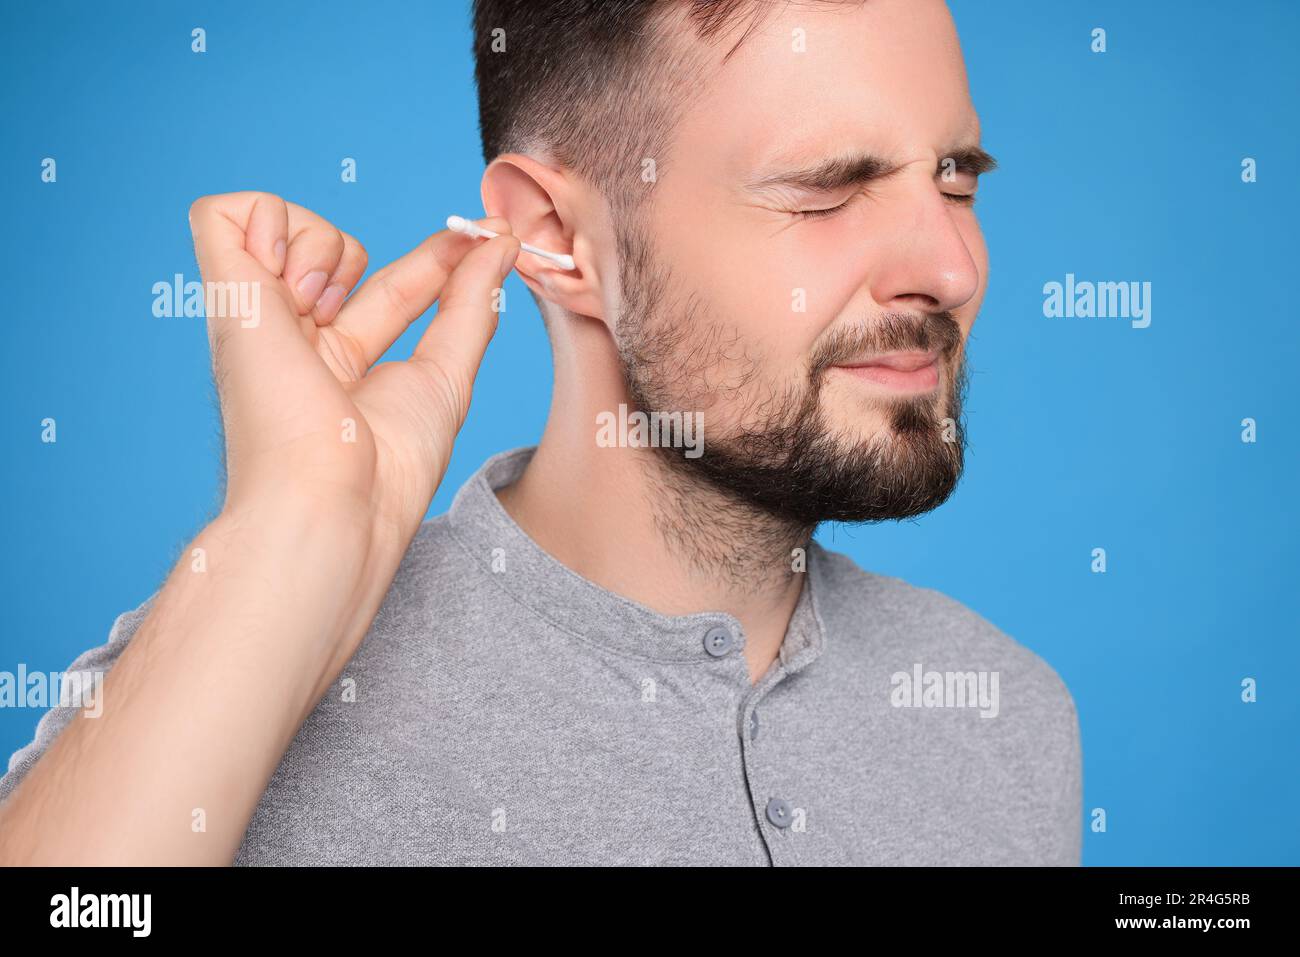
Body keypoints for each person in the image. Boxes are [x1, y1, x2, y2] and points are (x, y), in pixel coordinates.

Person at [0, 0, 1080, 865]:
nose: (951, 270)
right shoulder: (252, 661)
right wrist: (286, 536)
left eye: (953, 180)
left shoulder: (1011, 715)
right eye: (827, 191)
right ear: (560, 236)